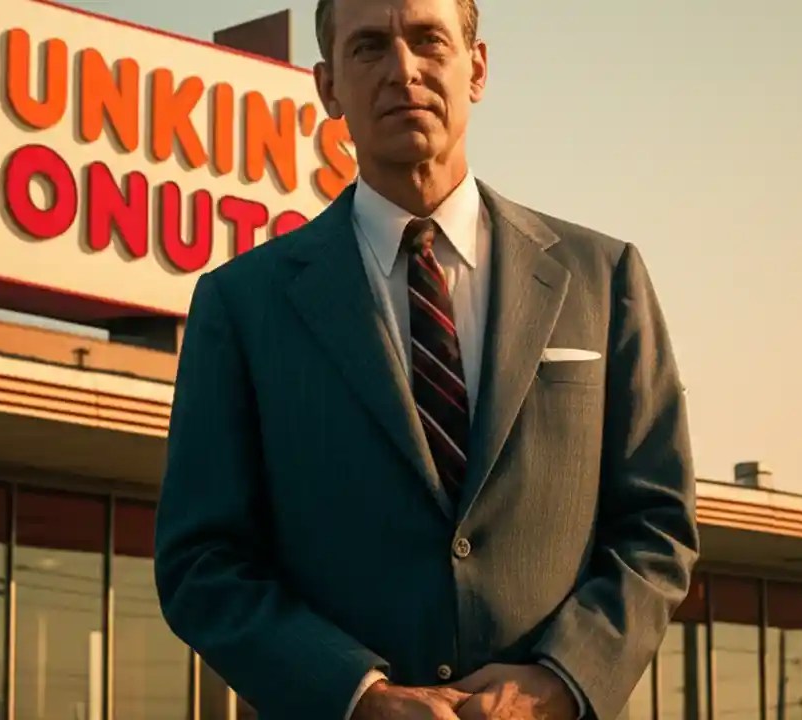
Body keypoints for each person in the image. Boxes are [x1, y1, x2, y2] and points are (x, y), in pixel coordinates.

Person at [153, 0, 700, 717]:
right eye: (370, 47)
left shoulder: (604, 279)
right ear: (328, 87)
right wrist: (357, 696)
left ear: (476, 68)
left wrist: (561, 680)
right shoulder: (243, 305)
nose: (402, 70)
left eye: (428, 41)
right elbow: (202, 563)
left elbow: (656, 526)